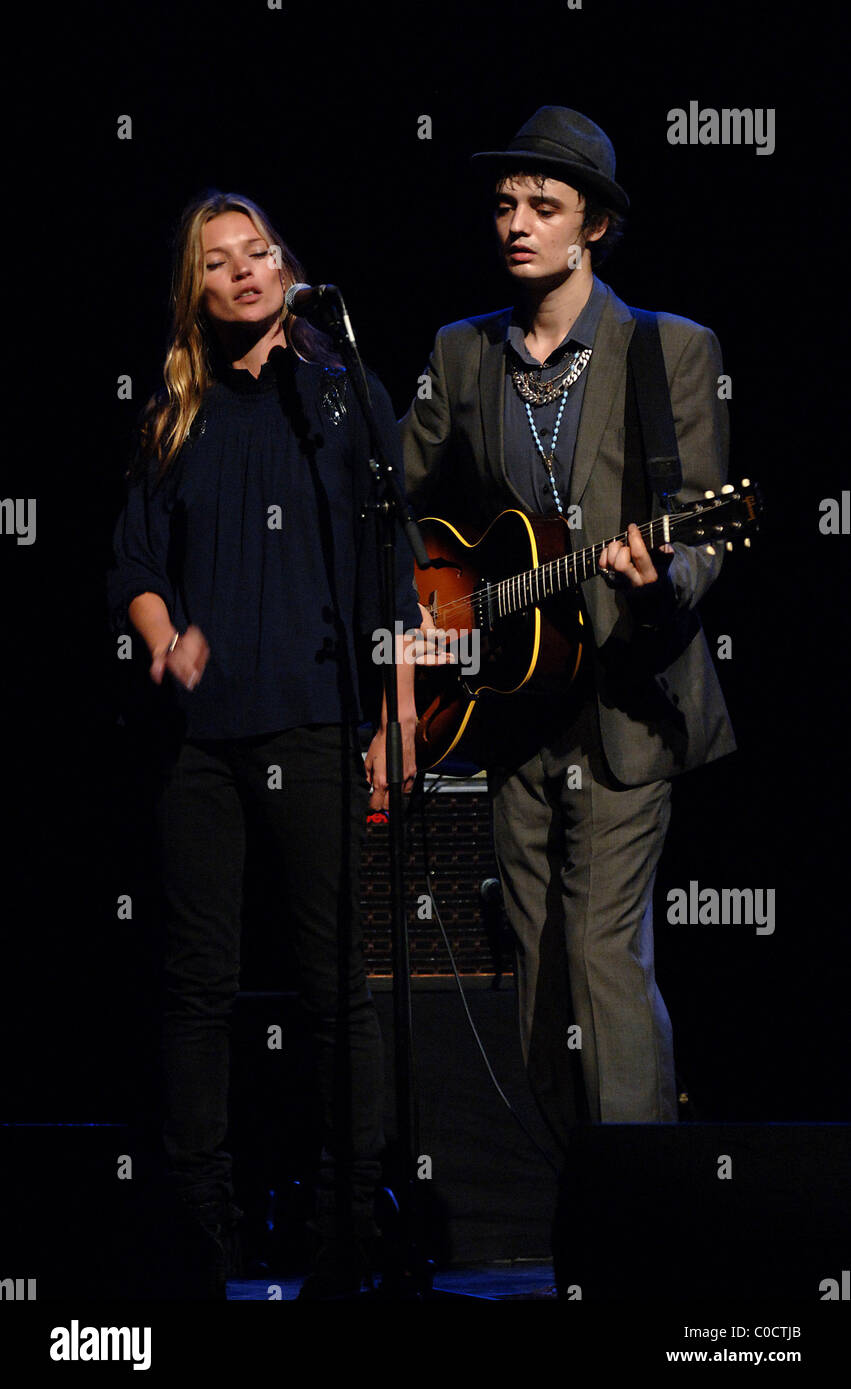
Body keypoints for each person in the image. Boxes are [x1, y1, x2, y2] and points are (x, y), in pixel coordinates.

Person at [401, 107, 736, 1149]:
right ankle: (580, 1203)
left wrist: (661, 571)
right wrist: (425, 612)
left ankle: (639, 1216)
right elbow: (397, 513)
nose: (516, 223)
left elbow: (701, 534)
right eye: (504, 205)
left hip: (628, 701)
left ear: (591, 225)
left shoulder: (666, 350)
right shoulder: (463, 356)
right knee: (541, 972)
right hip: (513, 708)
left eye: (542, 207)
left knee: (600, 957)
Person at [108, 189, 419, 1299]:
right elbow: (136, 567)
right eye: (218, 261)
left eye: (261, 252)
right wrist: (163, 640)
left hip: (320, 720)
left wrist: (393, 719)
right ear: (194, 288)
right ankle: (206, 1240)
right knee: (198, 987)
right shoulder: (174, 410)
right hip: (201, 743)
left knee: (342, 988)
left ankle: (348, 1238)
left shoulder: (344, 395)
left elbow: (393, 573)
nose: (246, 271)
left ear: (287, 266)